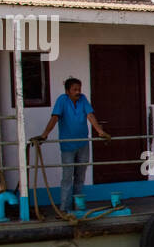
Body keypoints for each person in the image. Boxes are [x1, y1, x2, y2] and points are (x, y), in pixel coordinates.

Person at [33, 77, 111, 212]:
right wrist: (45, 134)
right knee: (67, 178)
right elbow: (55, 117)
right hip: (68, 146)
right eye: (74, 89)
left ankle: (78, 206)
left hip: (83, 144)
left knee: (80, 177)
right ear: (67, 91)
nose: (78, 92)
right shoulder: (62, 100)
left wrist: (100, 131)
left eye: (79, 89)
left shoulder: (83, 99)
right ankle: (64, 208)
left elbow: (90, 115)